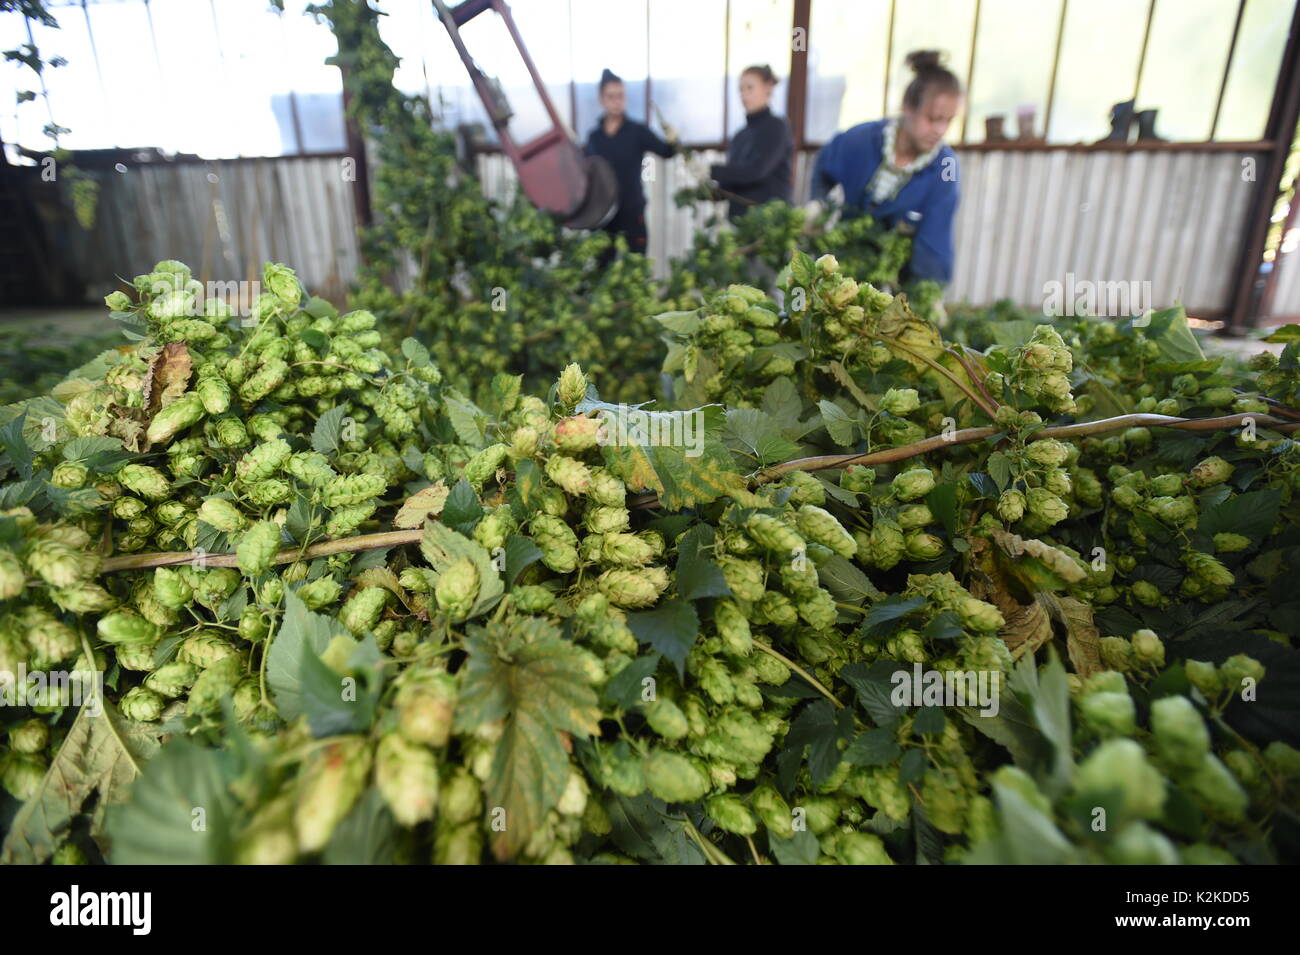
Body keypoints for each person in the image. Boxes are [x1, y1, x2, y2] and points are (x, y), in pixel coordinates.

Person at [808, 50, 963, 284]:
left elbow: (935, 241)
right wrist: (818, 202)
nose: (940, 130)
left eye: (948, 121)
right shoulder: (862, 140)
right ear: (908, 107)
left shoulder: (944, 170)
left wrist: (928, 294)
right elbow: (826, 163)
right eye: (933, 118)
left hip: (891, 277)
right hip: (839, 260)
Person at [584, 69, 677, 256]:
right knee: (603, 265)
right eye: (611, 96)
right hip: (602, 214)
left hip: (632, 209)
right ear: (602, 100)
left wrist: (673, 139)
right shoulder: (594, 137)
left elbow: (666, 151)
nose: (616, 101)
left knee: (636, 262)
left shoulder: (637, 131)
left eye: (620, 96)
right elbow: (588, 174)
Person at [708, 65, 793, 221]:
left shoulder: (777, 126)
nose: (744, 94)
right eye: (741, 89)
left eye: (750, 88)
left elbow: (756, 171)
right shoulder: (739, 136)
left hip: (769, 222)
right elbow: (729, 185)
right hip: (739, 222)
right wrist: (701, 189)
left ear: (768, 88)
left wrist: (710, 170)